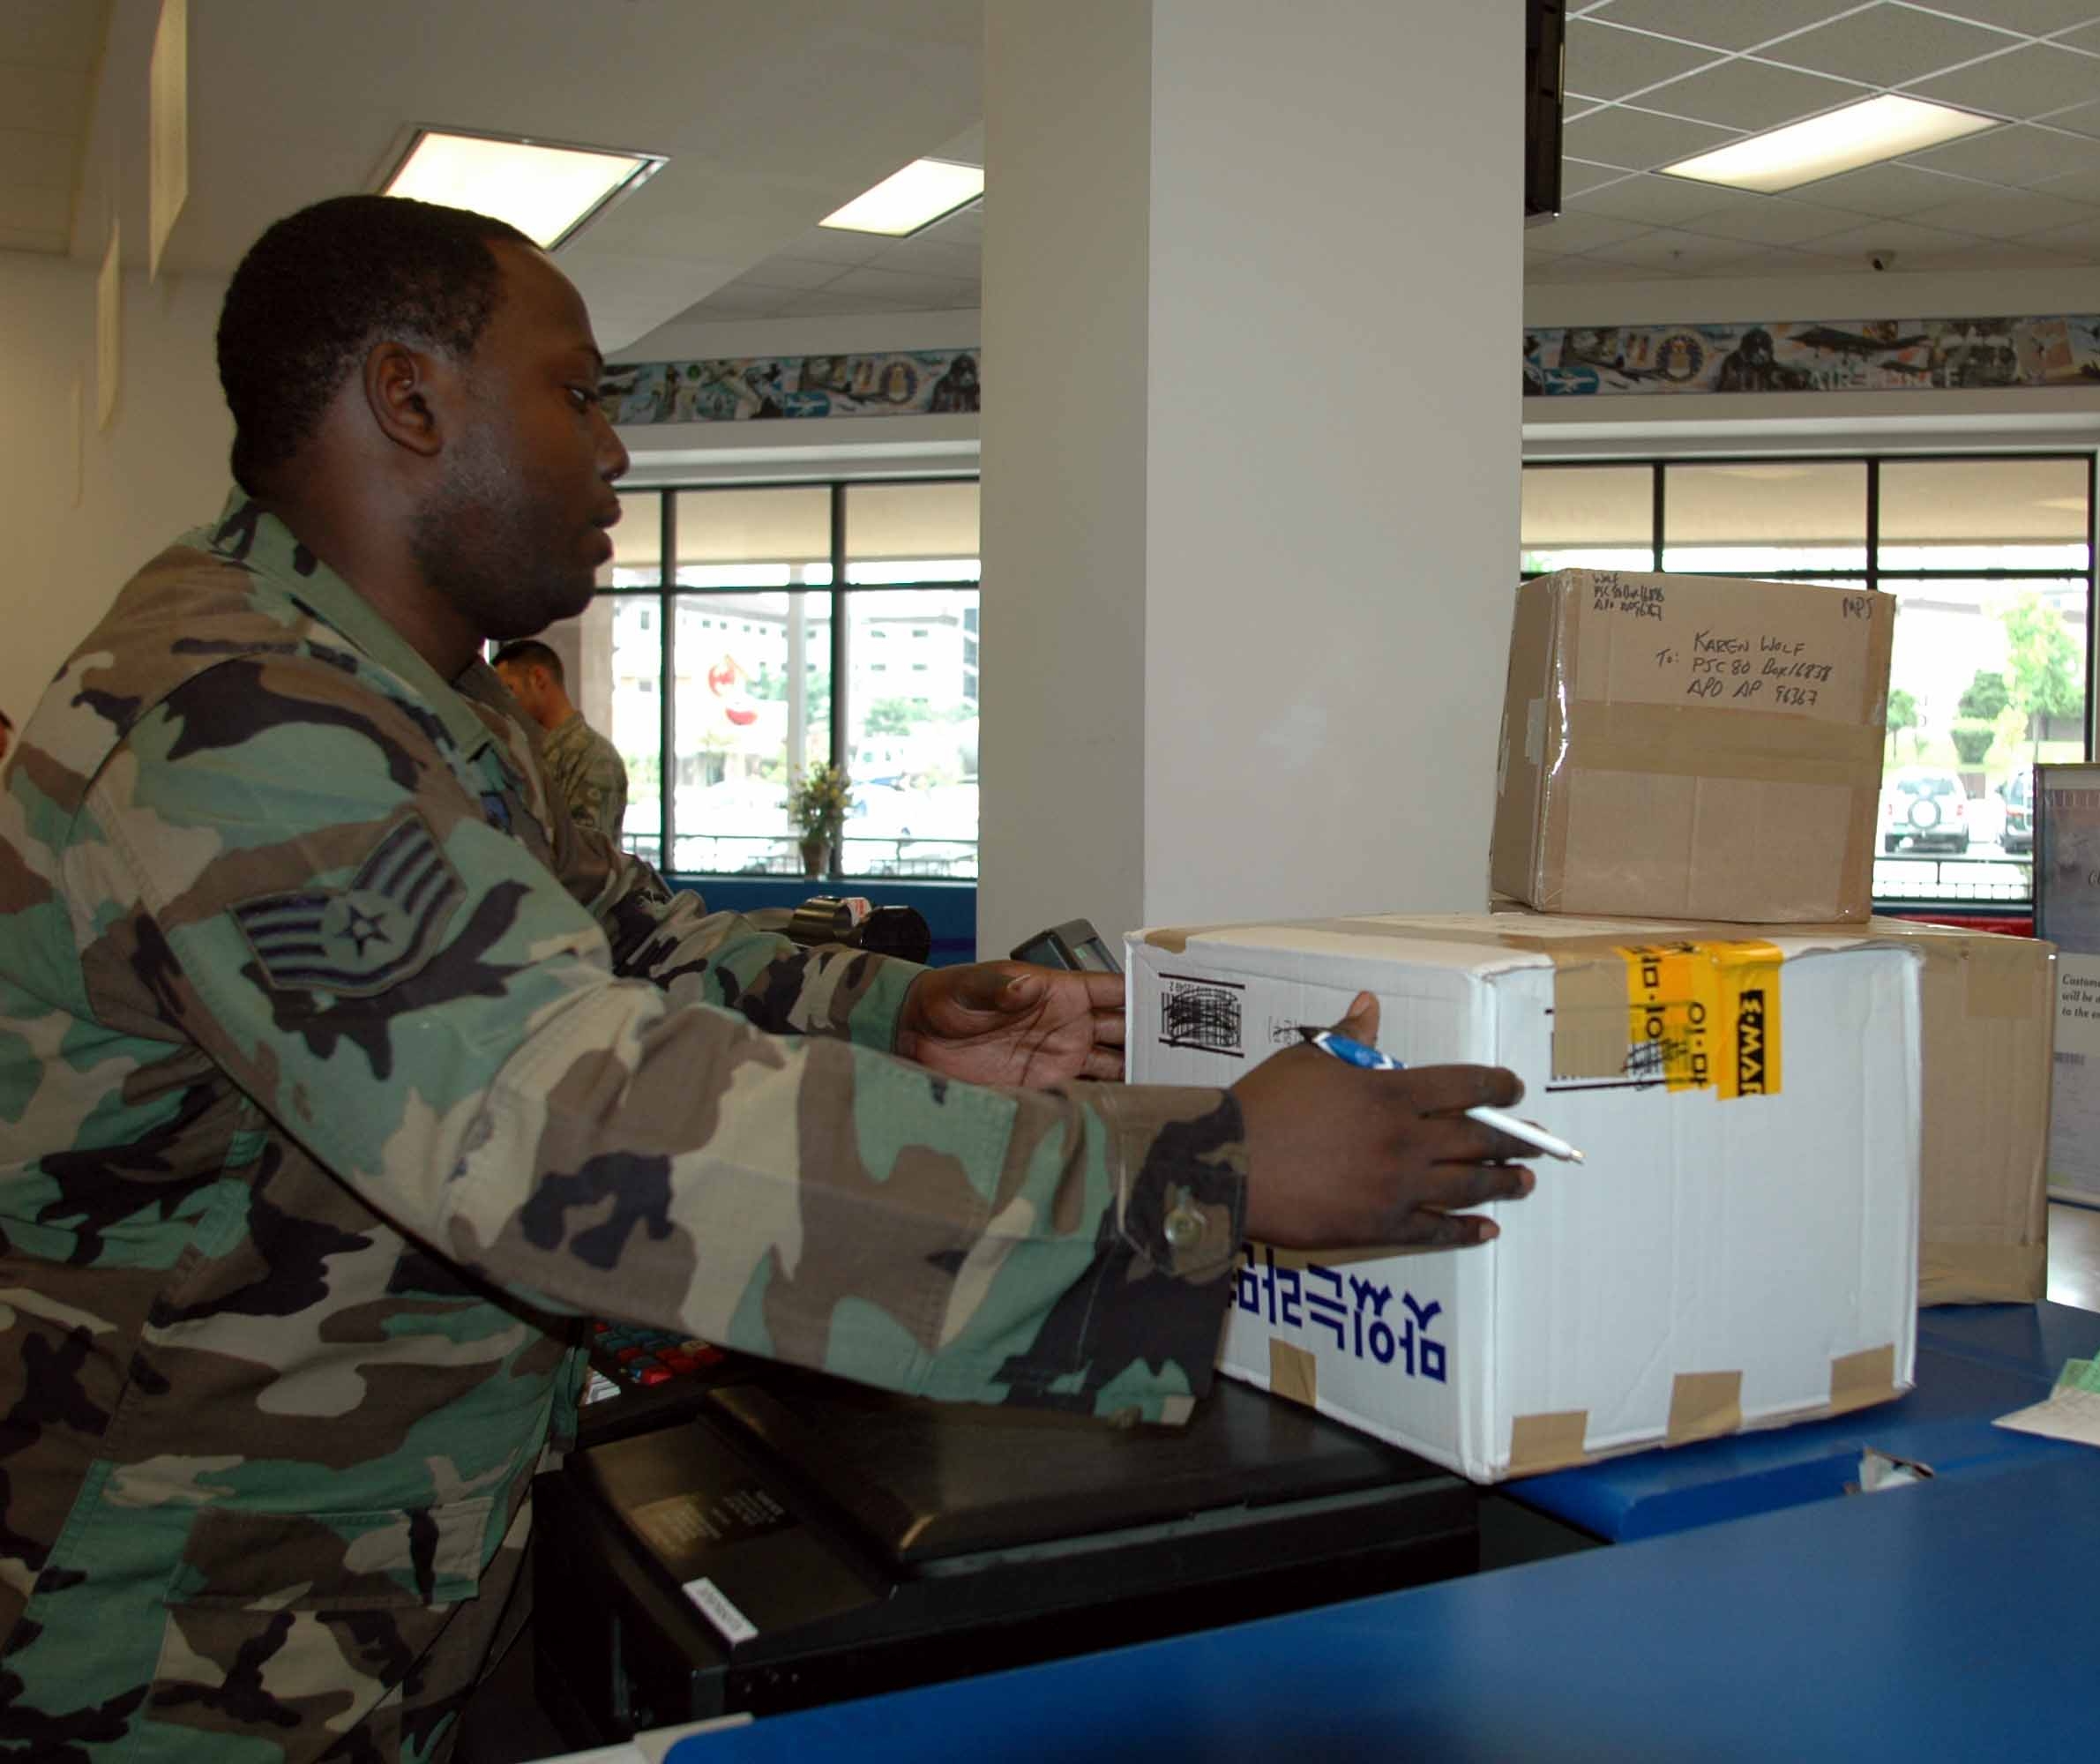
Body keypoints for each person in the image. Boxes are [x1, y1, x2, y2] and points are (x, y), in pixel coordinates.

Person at [0, 194, 1537, 1755]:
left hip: (373, 1567)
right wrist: (1202, 1172)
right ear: (410, 397)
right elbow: (569, 1123)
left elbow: (628, 944)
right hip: (170, 1640)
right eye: (578, 393)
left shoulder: (422, 703)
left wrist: (900, 1013)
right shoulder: (241, 726)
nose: (615, 451)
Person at [492, 636, 630, 843]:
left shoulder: (595, 758)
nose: (503, 704)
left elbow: (586, 853)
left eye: (509, 690)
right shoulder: (522, 749)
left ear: (538, 678)